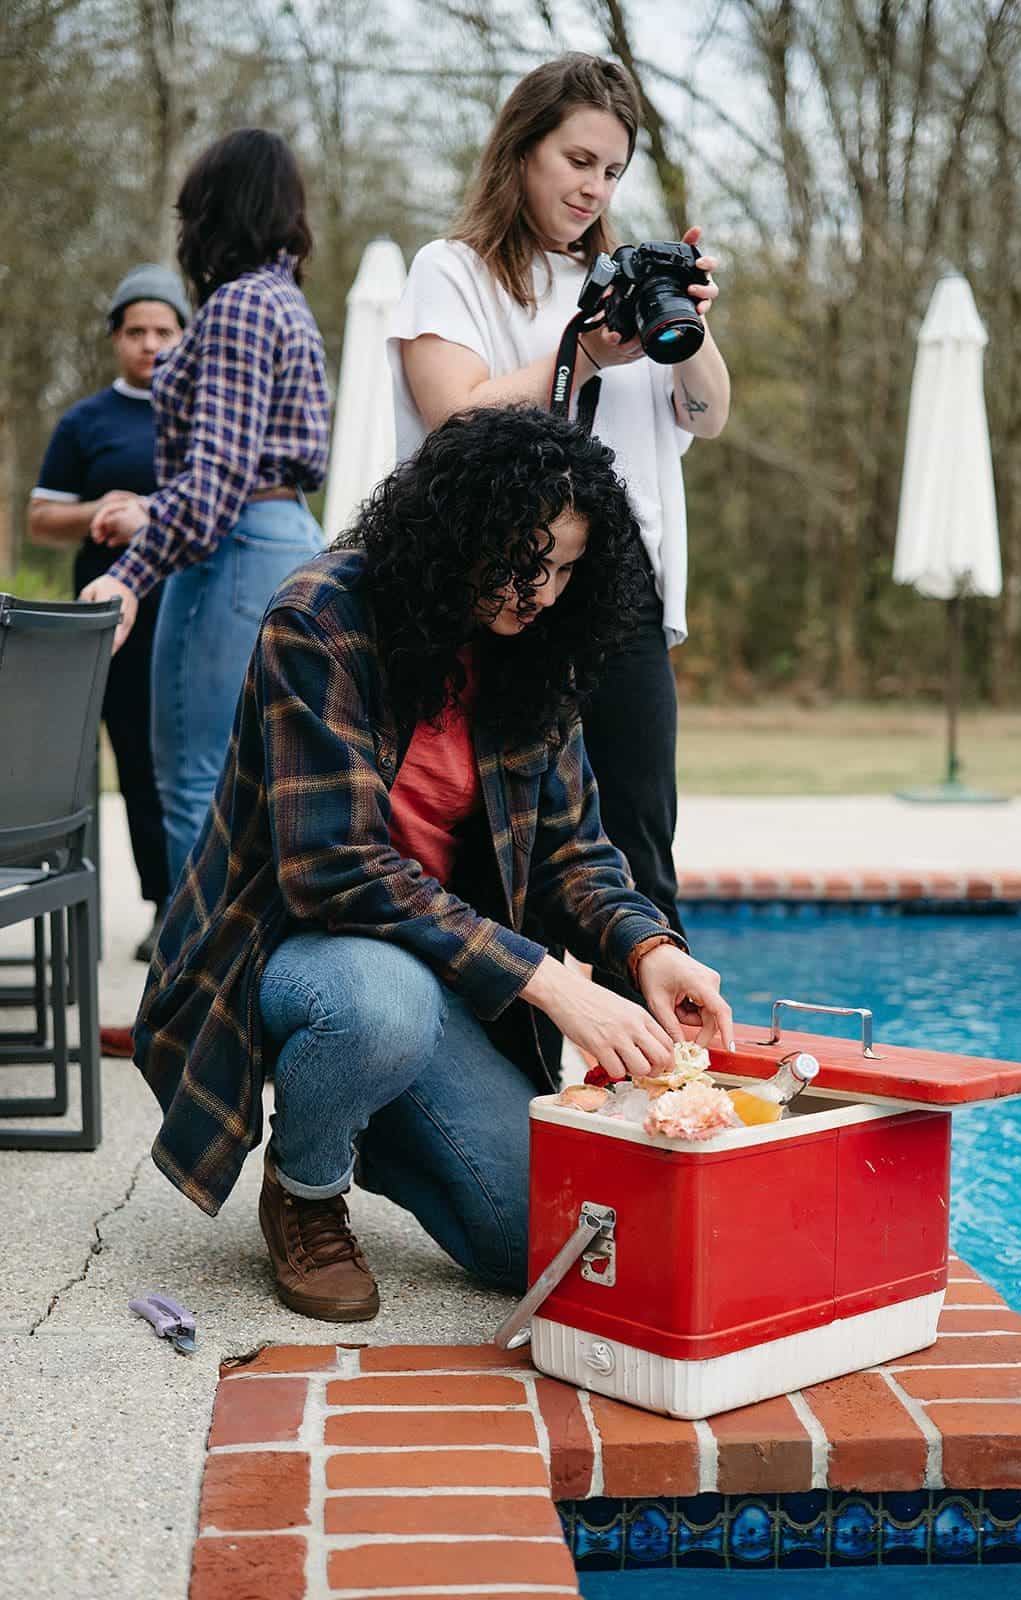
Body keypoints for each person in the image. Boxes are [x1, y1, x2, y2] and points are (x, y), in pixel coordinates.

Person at [132, 406, 733, 1322]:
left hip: (442, 967)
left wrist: (649, 947)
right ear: (454, 532)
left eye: (567, 568)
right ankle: (306, 1186)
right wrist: (549, 983)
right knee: (380, 1004)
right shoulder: (320, 617)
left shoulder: (535, 651)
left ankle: (372, 1103)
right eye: (523, 560)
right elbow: (333, 866)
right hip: (292, 949)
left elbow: (574, 848)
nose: (539, 592)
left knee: (527, 1242)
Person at [387, 53, 730, 1001]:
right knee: (497, 858)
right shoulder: (451, 272)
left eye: (612, 171)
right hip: (499, 601)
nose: (594, 188)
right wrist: (578, 349)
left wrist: (686, 327)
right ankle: (507, 1111)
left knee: (639, 861)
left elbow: (705, 418)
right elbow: (453, 415)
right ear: (521, 150)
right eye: (577, 160)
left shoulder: (621, 281)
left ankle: (657, 1113)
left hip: (621, 604)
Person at [79, 129, 329, 887]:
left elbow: (219, 480)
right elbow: (250, 465)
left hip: (233, 558)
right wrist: (153, 509)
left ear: (214, 212)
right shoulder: (284, 302)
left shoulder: (236, 308)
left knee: (197, 786)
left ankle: (201, 994)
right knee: (265, 789)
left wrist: (128, 574)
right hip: (285, 541)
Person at [28, 265, 190, 962]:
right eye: (137, 331)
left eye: (164, 330)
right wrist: (104, 508)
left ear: (184, 336)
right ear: (116, 338)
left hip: (183, 610)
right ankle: (104, 904)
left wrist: (154, 513)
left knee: (177, 764)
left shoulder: (202, 416)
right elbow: (40, 517)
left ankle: (176, 909)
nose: (150, 344)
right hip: (108, 618)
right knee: (126, 758)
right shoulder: (85, 420)